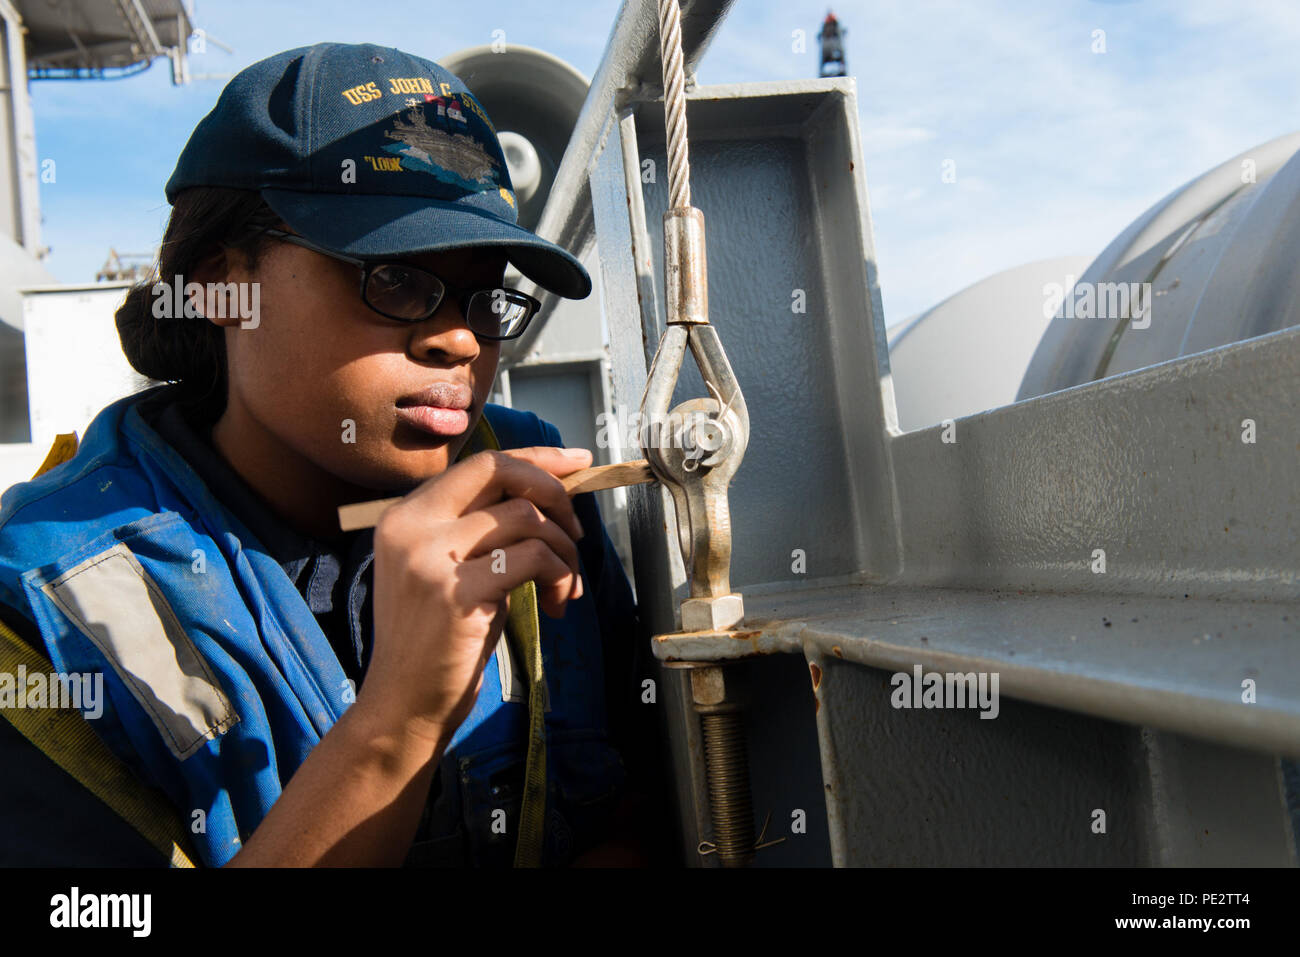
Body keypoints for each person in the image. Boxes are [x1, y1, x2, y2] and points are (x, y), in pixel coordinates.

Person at [0, 42, 666, 867]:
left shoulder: (528, 480)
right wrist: (397, 727)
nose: (460, 337)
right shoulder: (41, 610)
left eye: (486, 296)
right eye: (392, 278)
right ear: (220, 286)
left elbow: (640, 809)